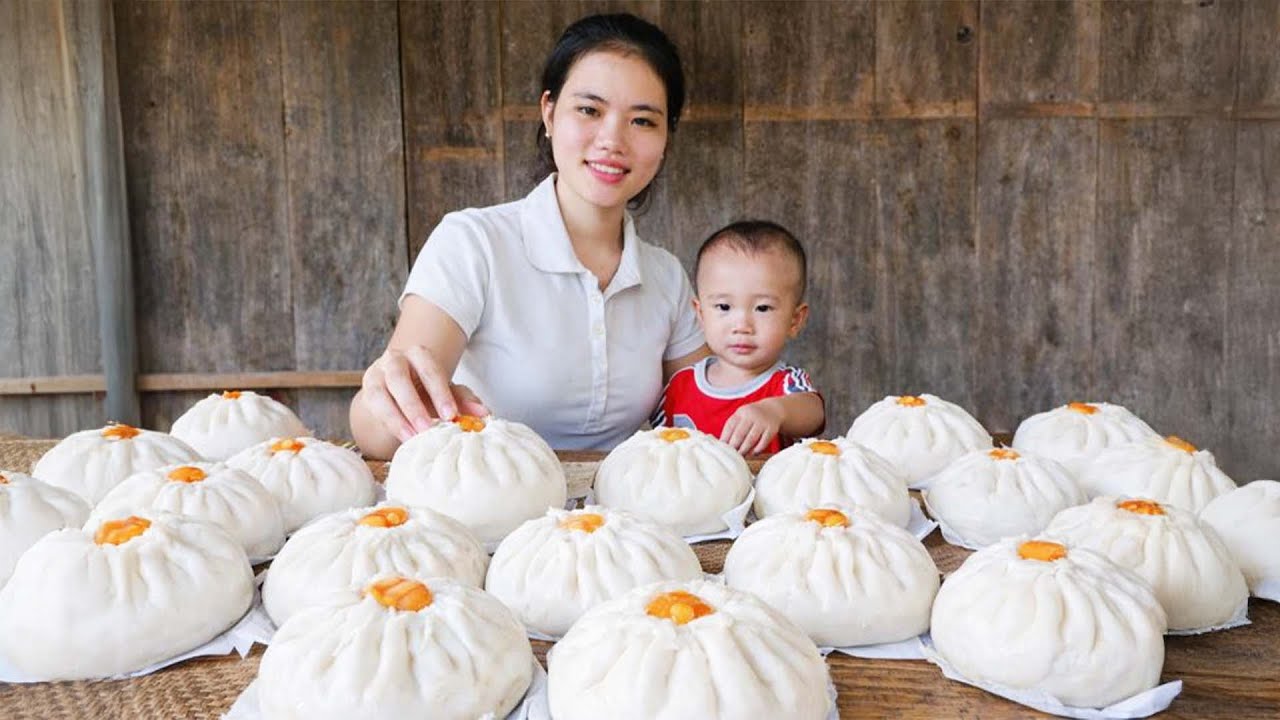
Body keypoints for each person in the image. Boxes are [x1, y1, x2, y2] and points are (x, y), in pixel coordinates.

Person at [350, 13, 707, 459]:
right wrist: (387, 396)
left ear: (666, 138)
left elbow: (706, 414)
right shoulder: (473, 243)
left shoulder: (666, 277)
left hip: (624, 517)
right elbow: (379, 428)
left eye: (642, 121)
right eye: (589, 110)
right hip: (488, 511)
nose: (612, 140)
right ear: (550, 113)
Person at [651, 220, 825, 455]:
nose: (742, 326)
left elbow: (814, 413)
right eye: (724, 306)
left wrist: (775, 411)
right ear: (701, 314)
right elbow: (656, 444)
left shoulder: (785, 385)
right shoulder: (680, 385)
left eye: (762, 308)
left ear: (795, 321)